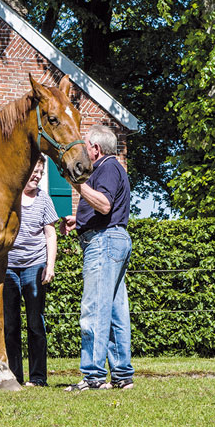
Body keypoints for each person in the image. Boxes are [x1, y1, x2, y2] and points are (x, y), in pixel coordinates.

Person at [60, 124, 133, 391]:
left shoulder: (108, 167)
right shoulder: (113, 169)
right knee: (114, 311)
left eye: (86, 144)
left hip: (103, 242)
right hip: (111, 238)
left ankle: (92, 376)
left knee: (93, 310)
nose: (83, 150)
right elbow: (104, 209)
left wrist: (77, 184)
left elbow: (103, 204)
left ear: (96, 149)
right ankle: (122, 375)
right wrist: (78, 222)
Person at [3, 159, 59, 387]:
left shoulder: (44, 199)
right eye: (34, 172)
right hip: (8, 267)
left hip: (34, 266)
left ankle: (38, 378)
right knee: (10, 324)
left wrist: (50, 265)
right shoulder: (10, 197)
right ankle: (14, 377)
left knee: (36, 323)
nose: (37, 176)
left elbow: (50, 234)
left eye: (40, 172)